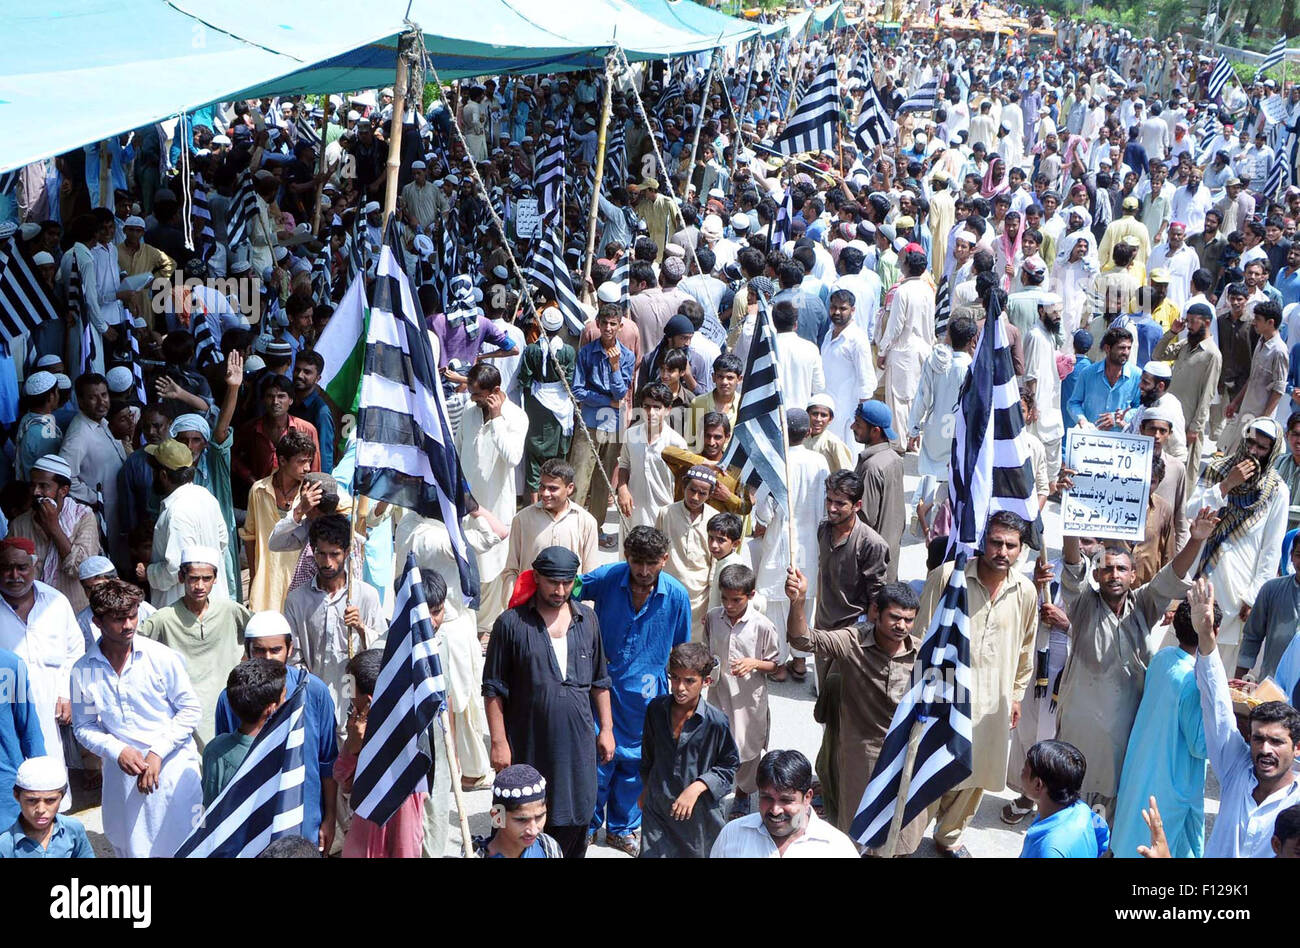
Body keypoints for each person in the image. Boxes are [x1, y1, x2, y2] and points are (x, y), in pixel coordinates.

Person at [1050, 504, 1215, 821]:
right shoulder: (1083, 604)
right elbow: (1072, 563)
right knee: (1070, 806)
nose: (1114, 575)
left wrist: (1195, 540)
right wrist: (1073, 516)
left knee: (1112, 814)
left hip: (1123, 734)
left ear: (1133, 574)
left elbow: (1172, 576)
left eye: (1121, 569)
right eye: (1107, 569)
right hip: (1080, 730)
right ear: (1097, 575)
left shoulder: (1144, 604)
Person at [919, 511, 1038, 857]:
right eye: (996, 542)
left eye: (1010, 545)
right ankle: (906, 836)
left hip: (993, 701)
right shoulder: (948, 577)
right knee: (931, 767)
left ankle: (950, 835)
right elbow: (920, 634)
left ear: (1020, 550)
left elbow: (1026, 648)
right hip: (946, 692)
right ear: (983, 541)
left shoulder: (1026, 591)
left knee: (978, 769)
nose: (1002, 551)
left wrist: (1015, 696)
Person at [483, 546, 615, 859]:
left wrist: (606, 728)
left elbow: (600, 681)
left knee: (576, 818)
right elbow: (493, 689)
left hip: (577, 745)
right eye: (552, 582)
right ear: (537, 577)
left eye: (567, 583)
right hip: (529, 743)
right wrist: (499, 742)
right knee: (523, 823)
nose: (559, 590)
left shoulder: (588, 619)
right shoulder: (511, 624)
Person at [71, 579, 203, 858]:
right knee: (133, 847)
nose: (129, 625)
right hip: (123, 777)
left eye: (133, 615)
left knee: (185, 844)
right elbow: (83, 727)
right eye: (119, 619)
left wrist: (158, 752)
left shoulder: (161, 657)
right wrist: (117, 750)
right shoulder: (83, 669)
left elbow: (190, 710)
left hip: (172, 768)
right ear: (97, 622)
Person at [579, 527, 690, 856]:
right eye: (636, 562)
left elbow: (681, 652)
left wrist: (682, 702)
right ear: (626, 557)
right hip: (601, 688)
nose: (642, 571)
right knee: (596, 758)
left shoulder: (677, 596)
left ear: (664, 560)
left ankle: (621, 828)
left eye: (650, 563)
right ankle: (586, 825)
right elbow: (567, 588)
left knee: (636, 763)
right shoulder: (609, 577)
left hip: (648, 695)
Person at [1189, 578, 1300, 857]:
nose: (1265, 749)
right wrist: (1206, 637)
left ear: (1297, 748)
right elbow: (1217, 706)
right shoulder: (1235, 769)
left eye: (1276, 742)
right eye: (1258, 739)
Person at [212, 611, 339, 855]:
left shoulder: (313, 691)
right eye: (259, 650)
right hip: (250, 825)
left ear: (290, 649)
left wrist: (329, 818)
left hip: (304, 821)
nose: (267, 658)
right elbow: (226, 762)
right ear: (247, 651)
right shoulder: (230, 698)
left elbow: (327, 762)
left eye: (275, 650)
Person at [1110, 597, 1217, 858]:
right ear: (1212, 632)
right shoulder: (1194, 680)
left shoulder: (1163, 657)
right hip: (1172, 787)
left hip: (1142, 772)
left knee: (1128, 840)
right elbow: (1200, 744)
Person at [1189, 417, 1290, 672]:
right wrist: (1225, 486)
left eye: (1262, 448)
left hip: (1238, 592)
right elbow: (1191, 510)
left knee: (1218, 668)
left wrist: (1253, 594)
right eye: (1251, 443)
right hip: (1203, 577)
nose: (1253, 452)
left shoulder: (1276, 491)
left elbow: (1271, 549)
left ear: (1273, 451)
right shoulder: (1218, 469)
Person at [140, 546, 249, 749]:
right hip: (185, 708)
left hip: (229, 702)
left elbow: (260, 635)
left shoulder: (230, 610)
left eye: (206, 579)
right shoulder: (164, 618)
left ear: (215, 579)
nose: (200, 585)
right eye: (193, 578)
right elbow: (134, 646)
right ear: (181, 578)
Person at [285, 513, 386, 732]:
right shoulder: (297, 600)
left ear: (347, 553)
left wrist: (361, 628)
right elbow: (294, 656)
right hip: (313, 695)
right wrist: (311, 689)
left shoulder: (365, 596)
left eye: (335, 554)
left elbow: (382, 651)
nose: (327, 562)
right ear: (313, 551)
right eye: (321, 554)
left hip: (352, 696)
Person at [638, 642, 739, 858]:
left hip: (699, 818)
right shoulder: (656, 709)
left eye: (689, 681)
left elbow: (729, 766)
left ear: (706, 681)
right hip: (659, 808)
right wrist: (646, 788)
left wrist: (697, 787)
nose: (679, 687)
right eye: (675, 678)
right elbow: (648, 755)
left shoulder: (716, 722)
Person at [0, 538, 83, 790]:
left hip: (50, 704)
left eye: (22, 567)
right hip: (6, 708)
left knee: (50, 770)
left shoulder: (56, 602)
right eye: (6, 568)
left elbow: (75, 650)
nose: (15, 575)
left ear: (34, 566)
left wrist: (67, 694)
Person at [334, 647, 426, 858]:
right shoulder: (359, 729)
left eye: (351, 692)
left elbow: (406, 840)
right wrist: (353, 746)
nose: (350, 700)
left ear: (369, 701)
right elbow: (343, 778)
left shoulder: (406, 748)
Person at [704, 564, 778, 820]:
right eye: (725, 598)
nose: (729, 605)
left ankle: (743, 794)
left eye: (736, 600)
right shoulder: (714, 617)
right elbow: (708, 649)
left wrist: (753, 663)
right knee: (717, 743)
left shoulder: (762, 626)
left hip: (748, 700)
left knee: (747, 749)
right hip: (719, 694)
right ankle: (714, 789)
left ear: (751, 595)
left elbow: (776, 665)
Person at [709, 749, 859, 858]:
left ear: (807, 798)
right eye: (767, 798)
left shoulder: (836, 848)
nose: (775, 810)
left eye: (786, 800)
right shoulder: (733, 835)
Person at [144, 438, 230, 607]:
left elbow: (175, 569)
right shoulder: (205, 496)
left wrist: (148, 572)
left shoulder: (176, 513)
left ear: (163, 475)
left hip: (184, 608)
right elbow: (222, 542)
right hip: (210, 602)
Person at [6, 454, 99, 612]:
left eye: (43, 486)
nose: (36, 492)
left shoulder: (83, 516)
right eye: (33, 485)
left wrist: (54, 527)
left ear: (63, 490)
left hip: (73, 610)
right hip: (33, 611)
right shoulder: (19, 524)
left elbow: (83, 570)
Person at [500, 458, 600, 594]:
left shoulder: (586, 521)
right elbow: (511, 570)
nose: (545, 493)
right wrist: (512, 606)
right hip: (530, 605)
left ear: (569, 488)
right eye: (542, 486)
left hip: (569, 605)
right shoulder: (522, 519)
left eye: (553, 488)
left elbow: (590, 575)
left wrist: (585, 611)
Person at [58, 373, 126, 563]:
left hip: (116, 509)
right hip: (101, 514)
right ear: (80, 400)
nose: (101, 402)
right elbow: (64, 476)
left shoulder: (103, 423)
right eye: (92, 397)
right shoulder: (79, 435)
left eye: (104, 395)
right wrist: (93, 498)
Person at [201, 658, 285, 806]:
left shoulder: (214, 750)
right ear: (271, 709)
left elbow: (210, 808)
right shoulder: (282, 751)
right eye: (284, 698)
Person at [1018, 740, 1111, 858]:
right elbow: (1102, 838)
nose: (1021, 774)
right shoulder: (1082, 809)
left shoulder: (1048, 850)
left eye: (1024, 770)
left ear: (1038, 785)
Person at [655, 466, 716, 634]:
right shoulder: (666, 513)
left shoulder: (715, 518)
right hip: (668, 589)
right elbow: (656, 551)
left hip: (700, 597)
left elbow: (715, 560)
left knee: (693, 643)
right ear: (683, 487)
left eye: (702, 493)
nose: (695, 497)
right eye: (692, 490)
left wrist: (713, 599)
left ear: (710, 495)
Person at [851, 400, 906, 581]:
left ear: (875, 431)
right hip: (889, 558)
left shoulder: (872, 467)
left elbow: (865, 517)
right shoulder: (894, 458)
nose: (853, 427)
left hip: (872, 563)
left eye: (858, 424)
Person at [0, 757, 93, 858]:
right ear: (17, 796)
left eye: (50, 800)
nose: (41, 810)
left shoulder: (73, 829)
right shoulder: (5, 846)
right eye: (31, 800)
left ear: (62, 797)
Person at [1237, 542, 1300, 682]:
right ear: (1291, 556)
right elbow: (1252, 636)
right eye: (1299, 555)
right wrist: (1239, 680)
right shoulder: (1271, 589)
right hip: (1272, 684)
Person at [473, 764, 563, 858]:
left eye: (539, 817)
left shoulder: (549, 848)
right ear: (497, 817)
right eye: (522, 820)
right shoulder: (476, 855)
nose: (533, 831)